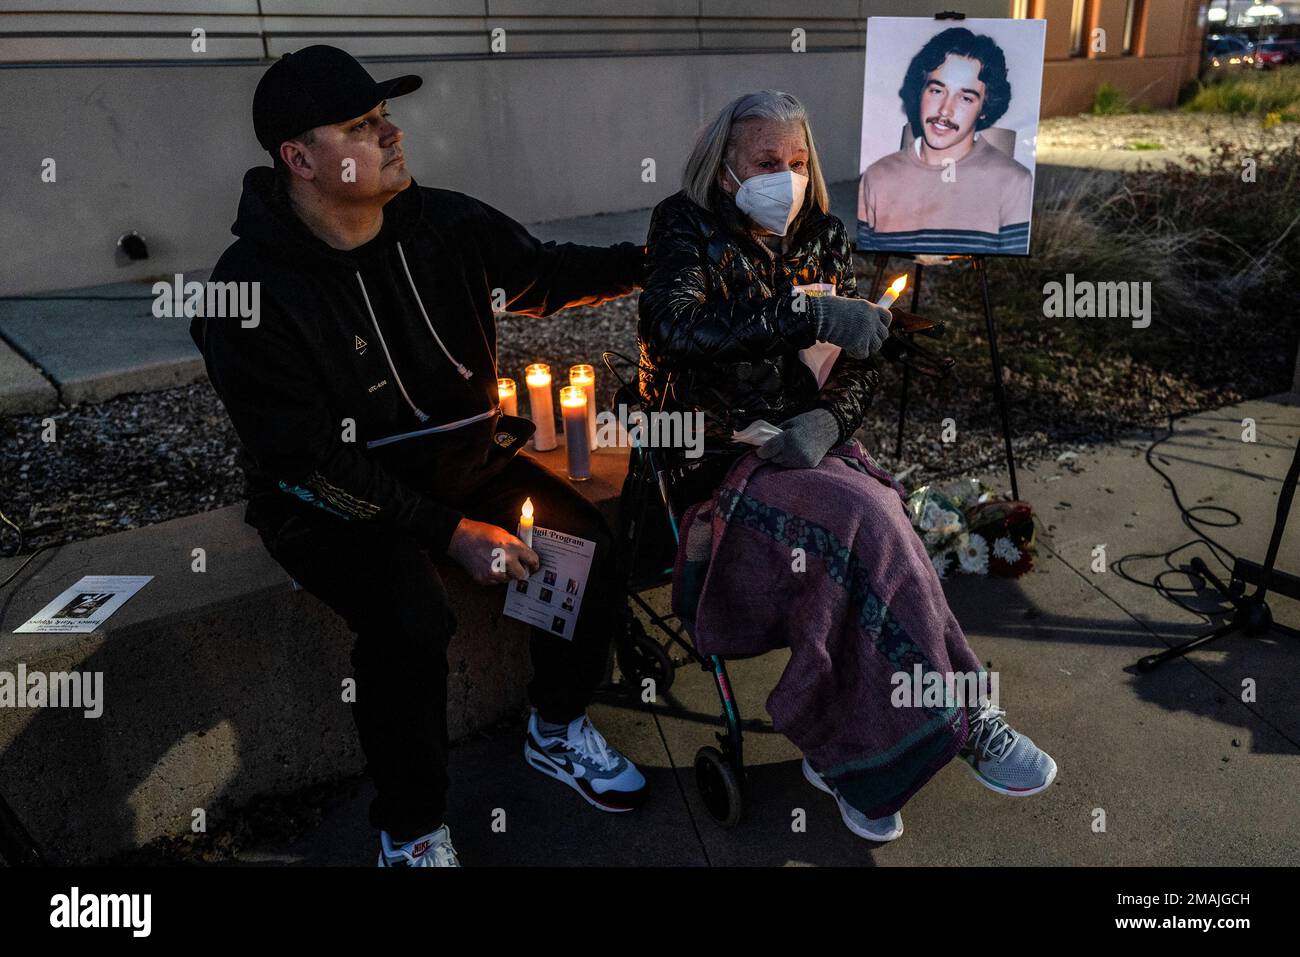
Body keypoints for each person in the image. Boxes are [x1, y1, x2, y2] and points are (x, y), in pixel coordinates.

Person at [191, 45, 648, 868]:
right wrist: (450, 534)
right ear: (299, 158)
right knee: (409, 614)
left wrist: (659, 259)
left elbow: (543, 275)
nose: (393, 133)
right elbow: (307, 465)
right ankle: (411, 828)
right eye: (363, 125)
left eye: (385, 115)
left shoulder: (444, 223)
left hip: (461, 465)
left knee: (587, 544)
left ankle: (555, 725)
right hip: (334, 506)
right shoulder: (248, 293)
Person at [639, 90, 1056, 843]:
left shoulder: (822, 236)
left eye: (798, 162)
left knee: (879, 522)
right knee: (869, 518)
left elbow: (862, 358)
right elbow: (674, 328)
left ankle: (900, 735)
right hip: (719, 460)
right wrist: (807, 315)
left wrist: (830, 417)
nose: (787, 178)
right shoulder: (685, 226)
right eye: (768, 162)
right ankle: (940, 723)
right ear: (725, 166)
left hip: (809, 444)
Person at [857, 26, 1033, 255]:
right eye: (937, 91)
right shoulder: (876, 177)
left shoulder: (1014, 182)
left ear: (984, 109)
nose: (945, 111)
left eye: (966, 98)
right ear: (920, 92)